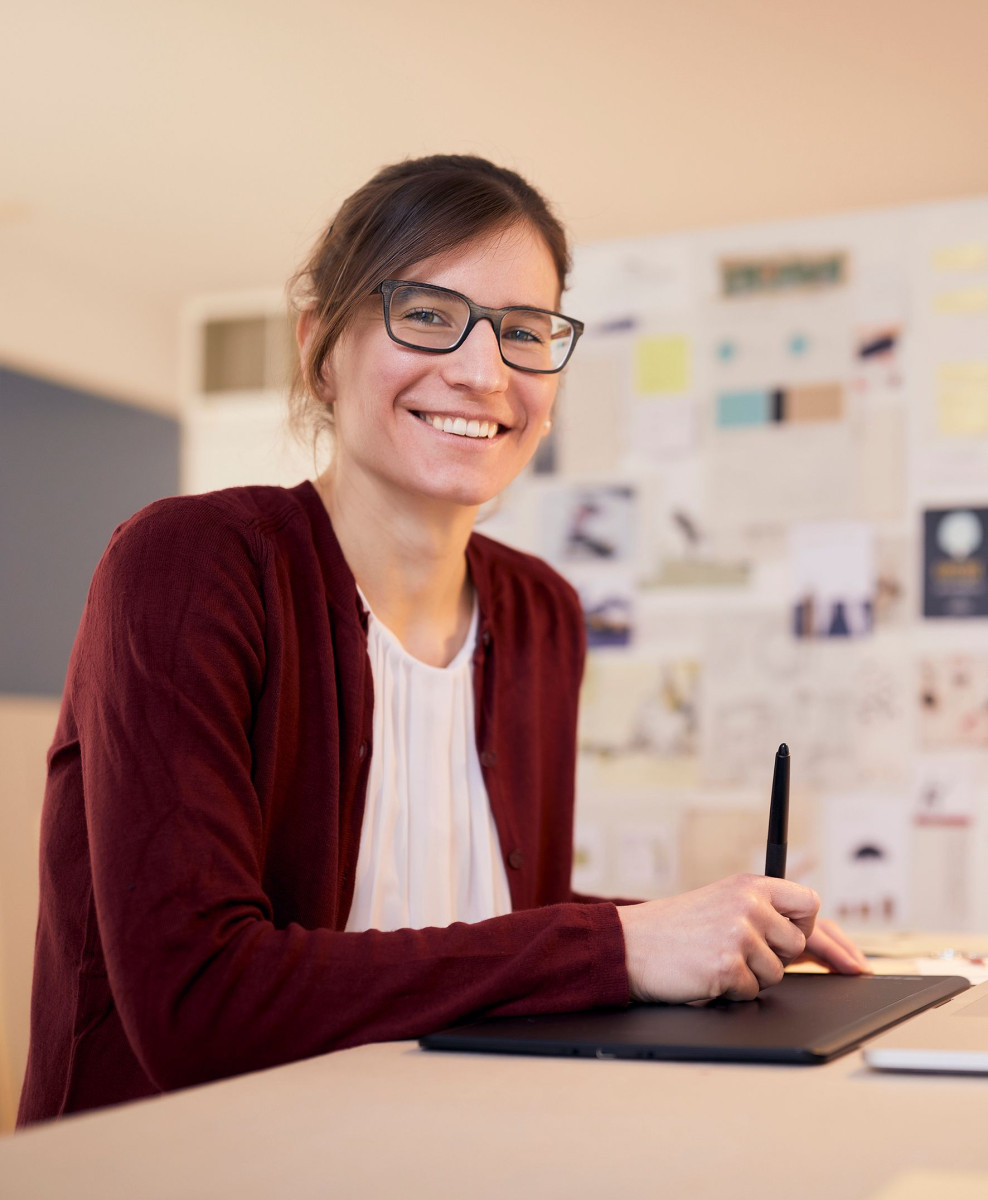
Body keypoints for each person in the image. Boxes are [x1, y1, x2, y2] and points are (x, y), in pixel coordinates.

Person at [17, 154, 868, 1126]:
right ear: (320, 347)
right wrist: (620, 946)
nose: (482, 371)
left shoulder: (541, 611)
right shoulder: (191, 563)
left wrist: (709, 931)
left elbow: (482, 920)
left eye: (524, 331)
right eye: (425, 314)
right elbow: (200, 1002)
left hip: (445, 1146)